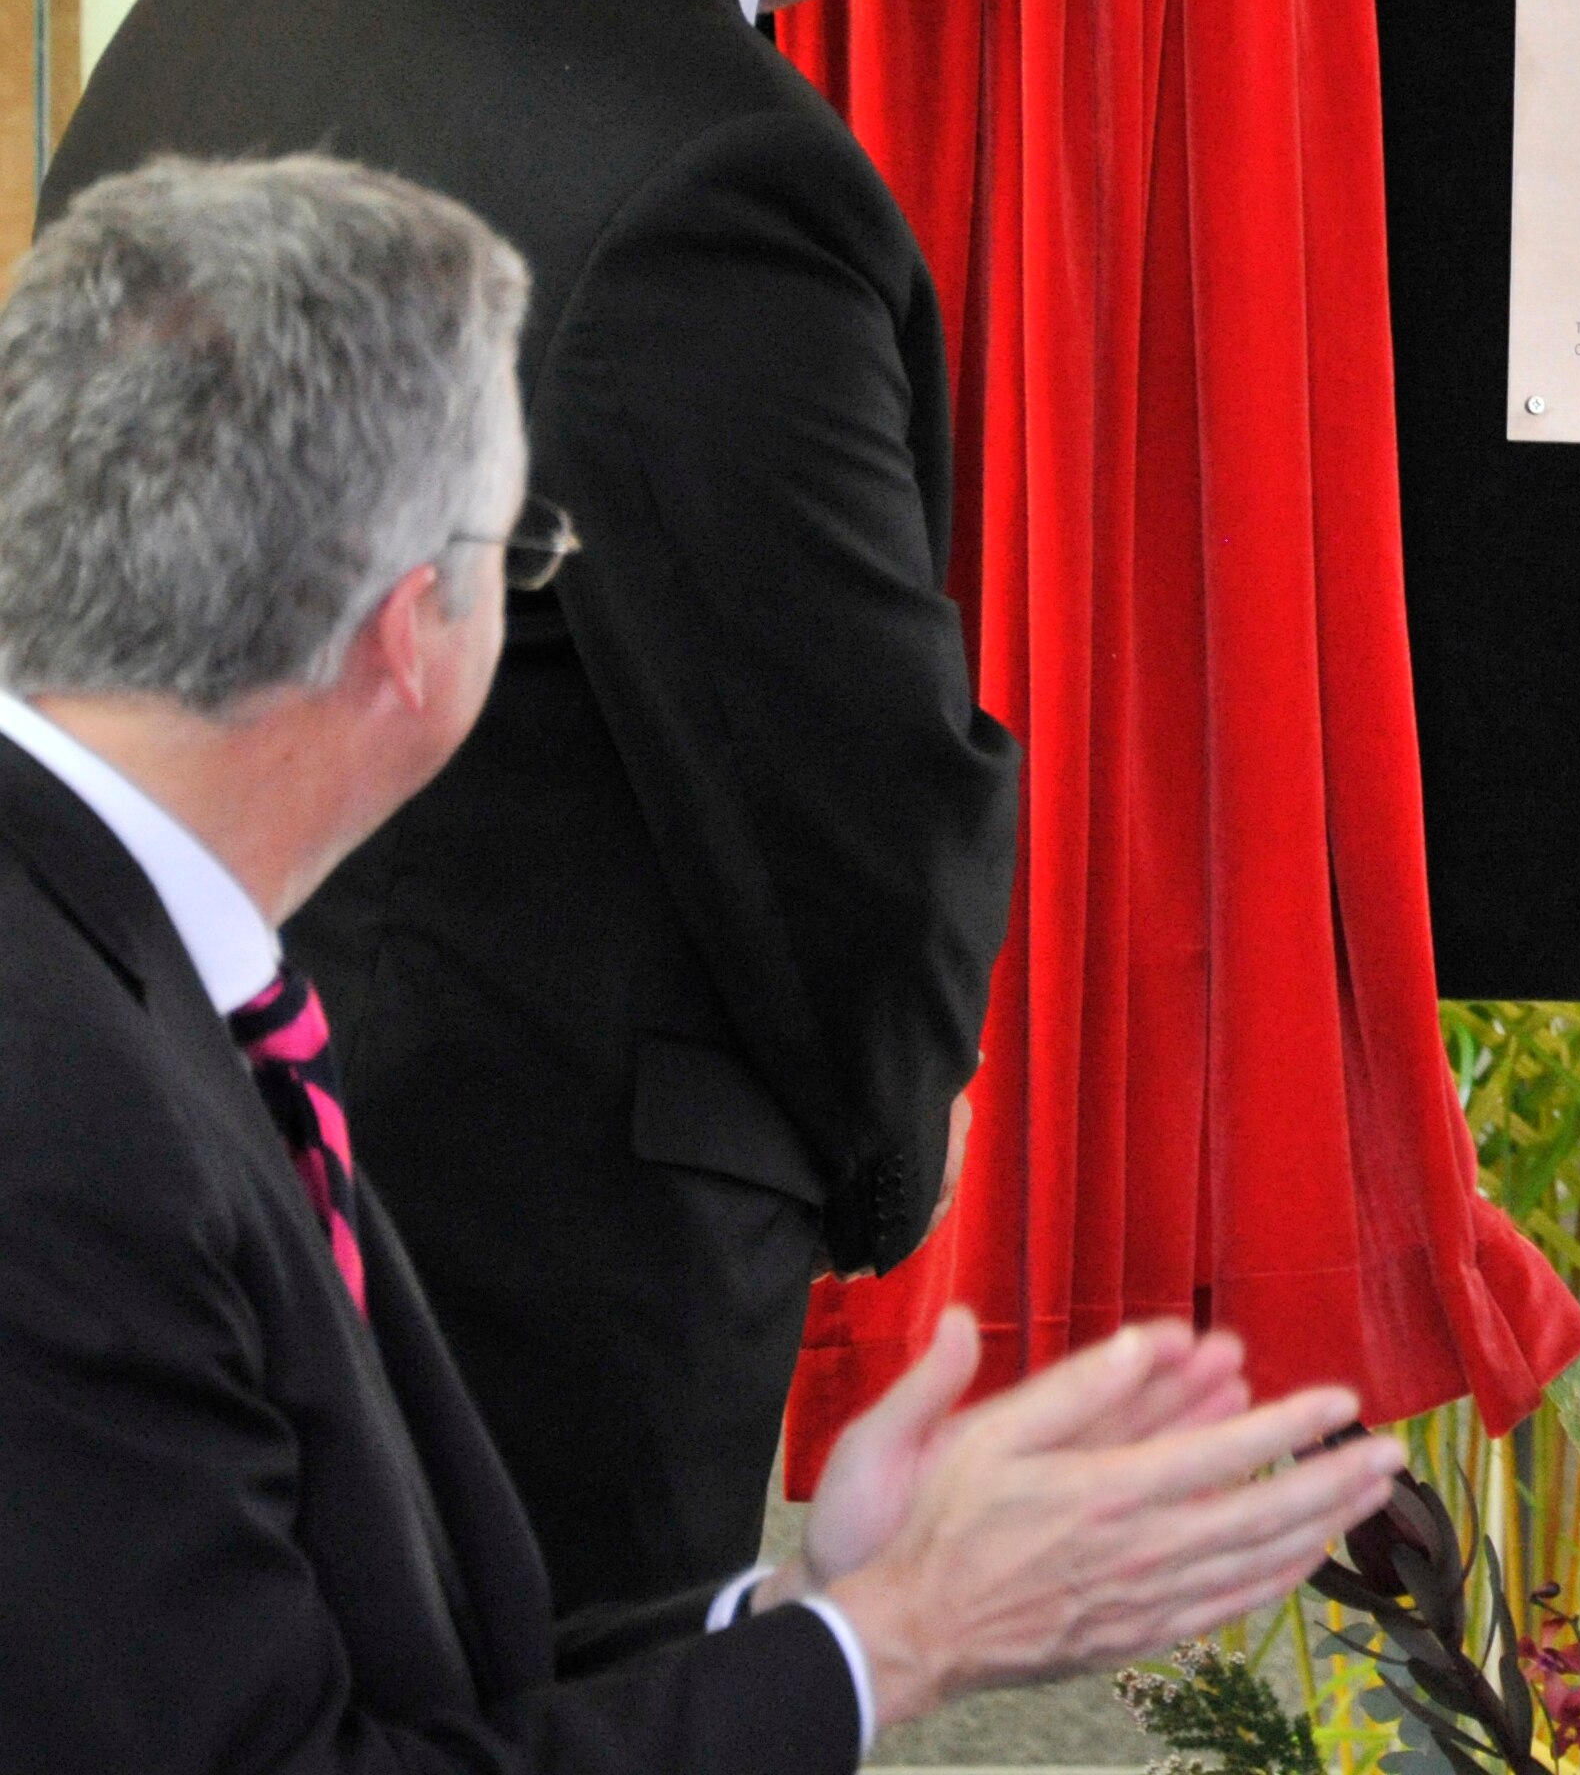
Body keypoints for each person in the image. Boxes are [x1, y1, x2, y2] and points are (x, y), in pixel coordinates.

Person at [0, 152, 1404, 1770]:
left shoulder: (120, 969)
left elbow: (386, 1673)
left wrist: (815, 1613)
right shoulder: (60, 1103)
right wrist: (897, 1644)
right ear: (413, 630)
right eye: (522, 549)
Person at [39, 0, 1020, 1612]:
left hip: (140, 1132)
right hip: (517, 1275)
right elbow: (833, 795)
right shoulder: (721, 165)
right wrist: (880, 1155)